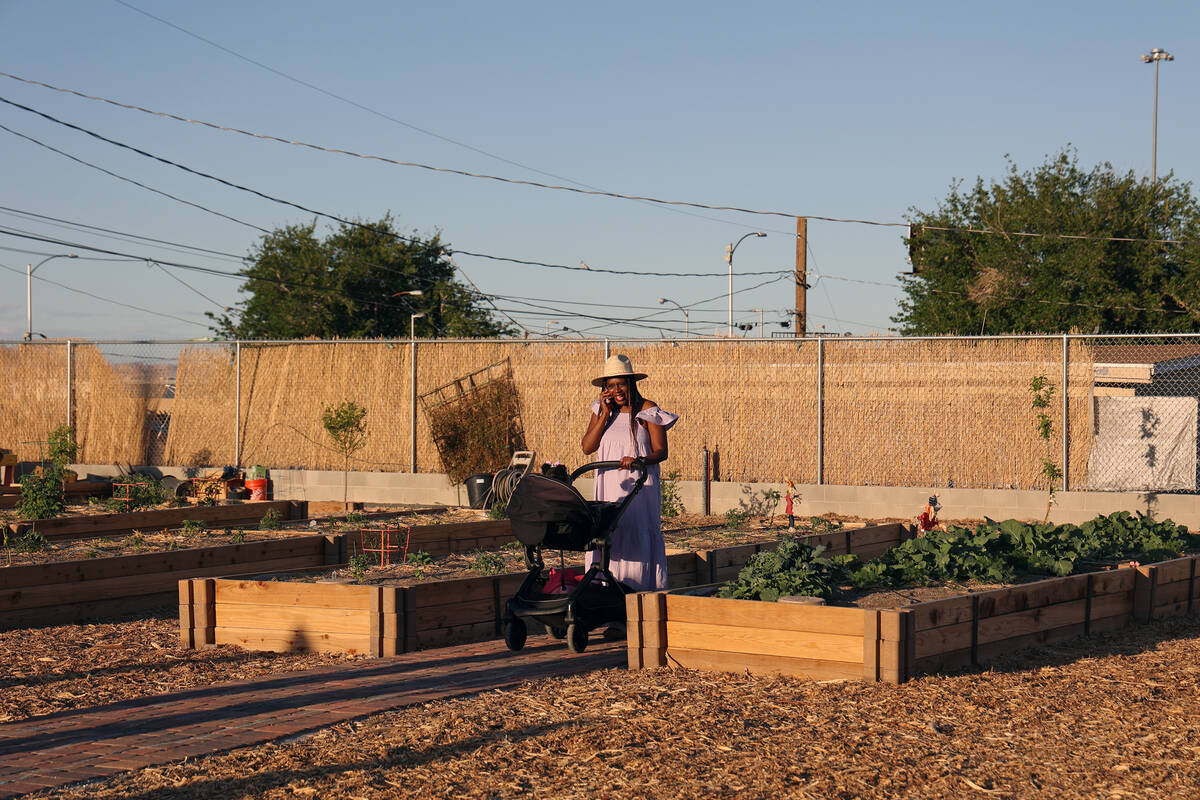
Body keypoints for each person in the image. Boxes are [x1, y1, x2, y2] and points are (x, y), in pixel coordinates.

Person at [581, 354, 678, 593]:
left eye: (621, 384)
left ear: (630, 383)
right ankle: (606, 599)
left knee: (636, 531)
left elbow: (660, 451)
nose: (617, 390)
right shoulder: (602, 411)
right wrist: (604, 413)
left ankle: (638, 596)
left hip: (638, 485)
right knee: (610, 532)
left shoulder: (647, 410)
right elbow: (587, 447)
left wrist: (639, 461)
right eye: (611, 386)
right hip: (609, 484)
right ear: (605, 389)